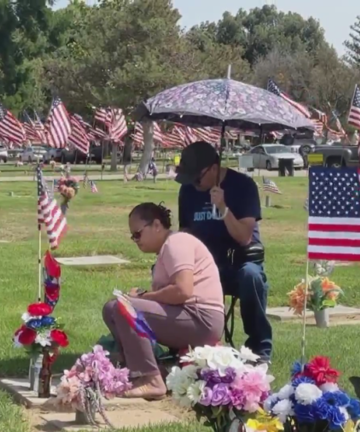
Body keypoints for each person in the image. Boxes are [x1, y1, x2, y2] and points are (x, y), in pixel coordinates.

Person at [101, 202, 224, 400]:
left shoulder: (177, 242)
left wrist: (141, 298)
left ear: (157, 225)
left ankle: (151, 380)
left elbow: (183, 290)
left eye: (138, 234)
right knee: (111, 308)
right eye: (133, 236)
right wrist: (141, 296)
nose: (135, 240)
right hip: (190, 316)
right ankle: (140, 371)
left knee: (125, 307)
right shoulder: (167, 248)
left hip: (202, 319)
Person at [174, 141, 272, 361]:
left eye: (197, 178)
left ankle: (259, 349)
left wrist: (223, 208)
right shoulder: (188, 191)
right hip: (207, 266)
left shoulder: (243, 186)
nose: (194, 184)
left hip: (240, 262)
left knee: (252, 276)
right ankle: (183, 342)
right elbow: (186, 231)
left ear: (214, 169)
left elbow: (244, 237)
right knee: (175, 276)